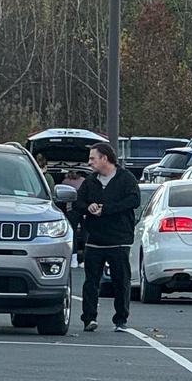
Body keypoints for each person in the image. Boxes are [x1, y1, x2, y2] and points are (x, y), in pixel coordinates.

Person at [69, 141, 139, 333]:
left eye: (93, 158)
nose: (89, 162)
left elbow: (134, 200)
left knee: (121, 280)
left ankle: (121, 319)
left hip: (119, 239)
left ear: (104, 158)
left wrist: (106, 209)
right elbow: (78, 203)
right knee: (91, 281)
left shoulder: (126, 179)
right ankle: (89, 318)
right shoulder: (90, 181)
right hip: (95, 240)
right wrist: (88, 207)